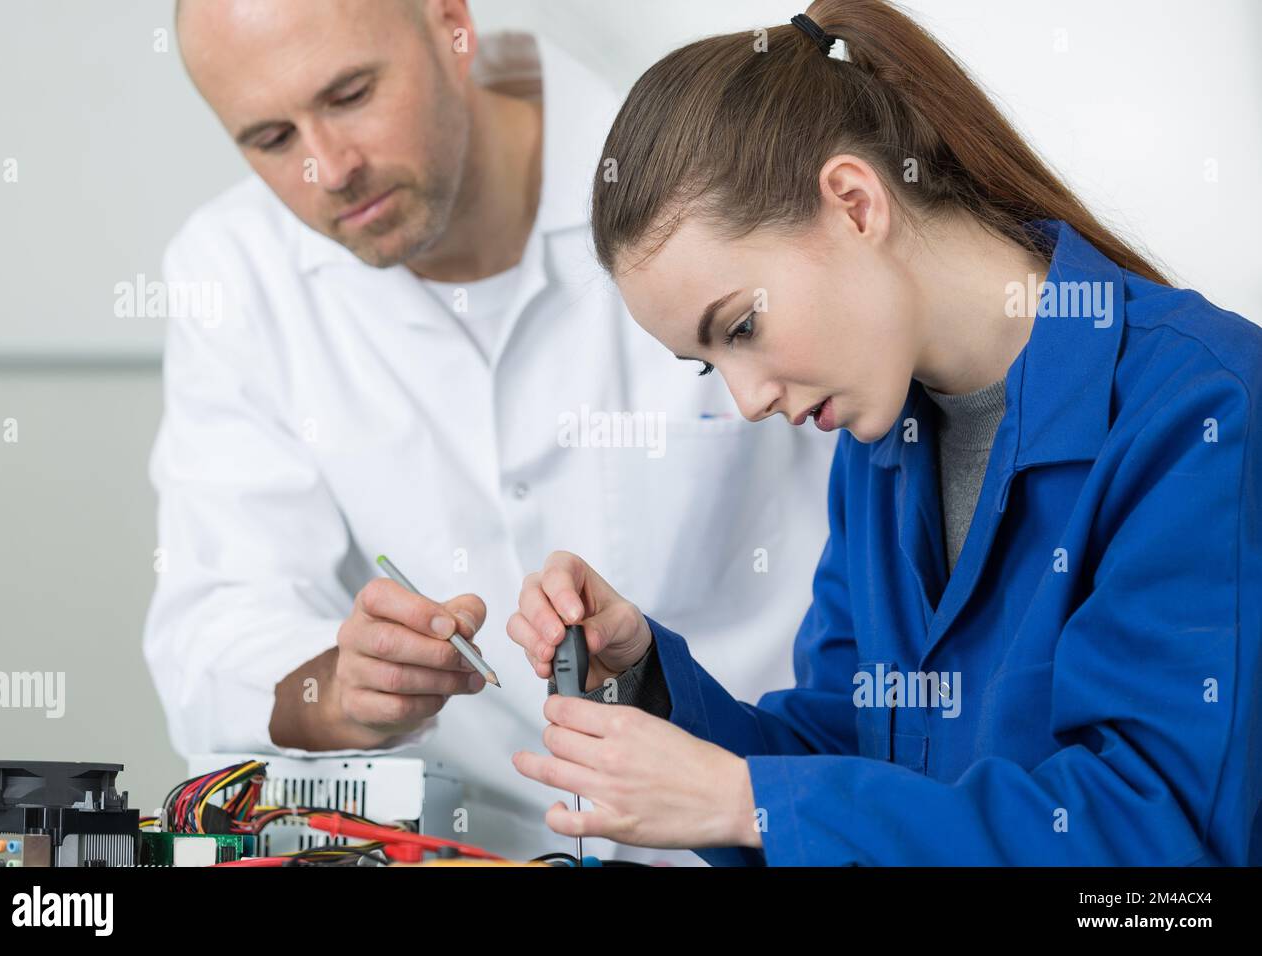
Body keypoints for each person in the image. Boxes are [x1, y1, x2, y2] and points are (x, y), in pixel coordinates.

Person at [508, 0, 1262, 865]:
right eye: (707, 363)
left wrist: (749, 803)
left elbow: (1158, 849)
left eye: (741, 327)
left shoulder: (1207, 411)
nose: (747, 400)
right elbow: (849, 761)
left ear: (855, 204)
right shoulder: (880, 446)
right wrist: (650, 680)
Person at [143, 0, 834, 863]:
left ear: (449, 22)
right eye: (272, 139)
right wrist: (340, 689)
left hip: (772, 830)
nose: (330, 169)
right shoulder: (235, 272)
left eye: (352, 93)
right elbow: (211, 623)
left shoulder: (700, 172)